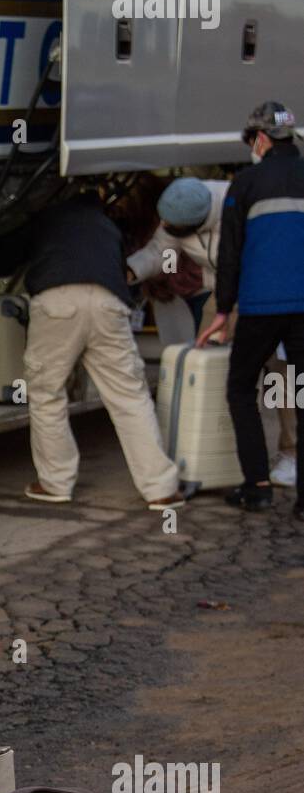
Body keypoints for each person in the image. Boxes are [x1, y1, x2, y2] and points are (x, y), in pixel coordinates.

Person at [0, 188, 183, 509]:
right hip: (109, 302)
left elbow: (3, 255)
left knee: (47, 394)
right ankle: (161, 488)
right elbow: (121, 267)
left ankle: (55, 483)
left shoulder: (48, 218)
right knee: (129, 396)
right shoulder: (107, 225)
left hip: (57, 301)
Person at [128, 174, 296, 488]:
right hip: (219, 293)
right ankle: (211, 452)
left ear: (204, 219)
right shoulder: (177, 217)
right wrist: (135, 271)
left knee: (279, 374)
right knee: (205, 370)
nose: (174, 235)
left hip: (263, 290)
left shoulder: (240, 205)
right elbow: (162, 254)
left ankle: (291, 453)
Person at [198, 101, 304, 517]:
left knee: (241, 389)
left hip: (260, 306)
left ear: (260, 139)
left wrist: (223, 312)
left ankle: (257, 486)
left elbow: (230, 254)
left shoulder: (245, 184)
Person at [126, 176, 228, 333]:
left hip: (243, 289)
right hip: (210, 291)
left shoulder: (233, 206)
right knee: (207, 345)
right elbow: (163, 251)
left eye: (172, 225)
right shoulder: (173, 218)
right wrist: (132, 270)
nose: (164, 226)